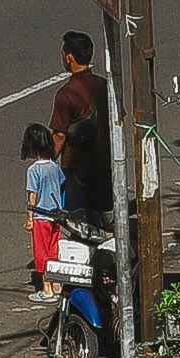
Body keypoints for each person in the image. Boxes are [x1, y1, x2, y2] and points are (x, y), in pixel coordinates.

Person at [48, 29, 108, 222]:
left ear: (70, 57)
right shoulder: (104, 85)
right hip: (104, 165)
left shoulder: (66, 94)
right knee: (103, 221)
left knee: (79, 223)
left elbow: (59, 136)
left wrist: (48, 161)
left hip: (77, 168)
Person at [22, 120, 68, 296]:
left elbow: (32, 196)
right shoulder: (54, 167)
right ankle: (57, 285)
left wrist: (29, 218)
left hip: (41, 217)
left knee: (41, 253)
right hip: (56, 216)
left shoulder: (33, 170)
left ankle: (46, 288)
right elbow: (62, 186)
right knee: (53, 250)